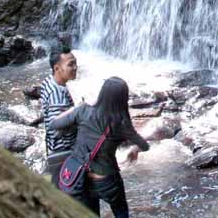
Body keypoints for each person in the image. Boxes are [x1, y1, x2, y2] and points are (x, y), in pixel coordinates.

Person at [48, 77, 149, 218]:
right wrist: (134, 150)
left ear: (102, 93)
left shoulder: (83, 110)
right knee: (121, 212)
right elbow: (144, 145)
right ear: (123, 99)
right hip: (106, 180)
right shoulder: (122, 123)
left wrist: (75, 108)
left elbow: (54, 124)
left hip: (79, 177)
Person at [41, 47, 78, 186]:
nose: (75, 67)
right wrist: (79, 115)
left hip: (53, 148)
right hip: (65, 151)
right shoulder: (58, 95)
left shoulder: (49, 82)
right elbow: (57, 128)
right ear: (57, 68)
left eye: (75, 63)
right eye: (70, 64)